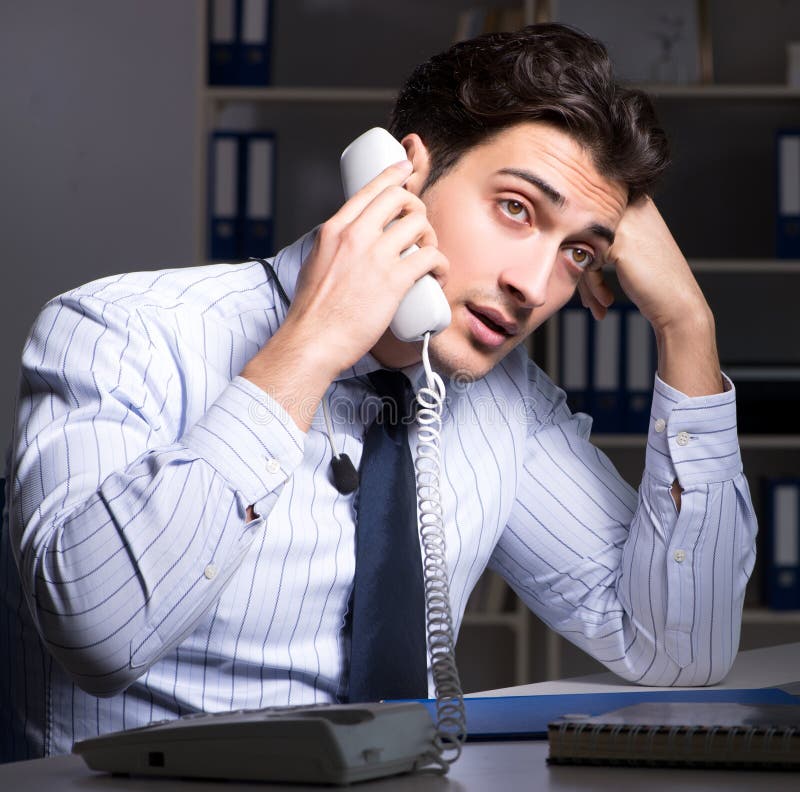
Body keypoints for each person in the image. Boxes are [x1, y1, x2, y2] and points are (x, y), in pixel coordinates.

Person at [0, 23, 756, 761]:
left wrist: (687, 324)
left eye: (579, 252)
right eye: (516, 208)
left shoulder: (507, 404)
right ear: (399, 177)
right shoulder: (119, 329)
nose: (534, 286)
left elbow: (678, 650)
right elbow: (95, 633)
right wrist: (314, 344)